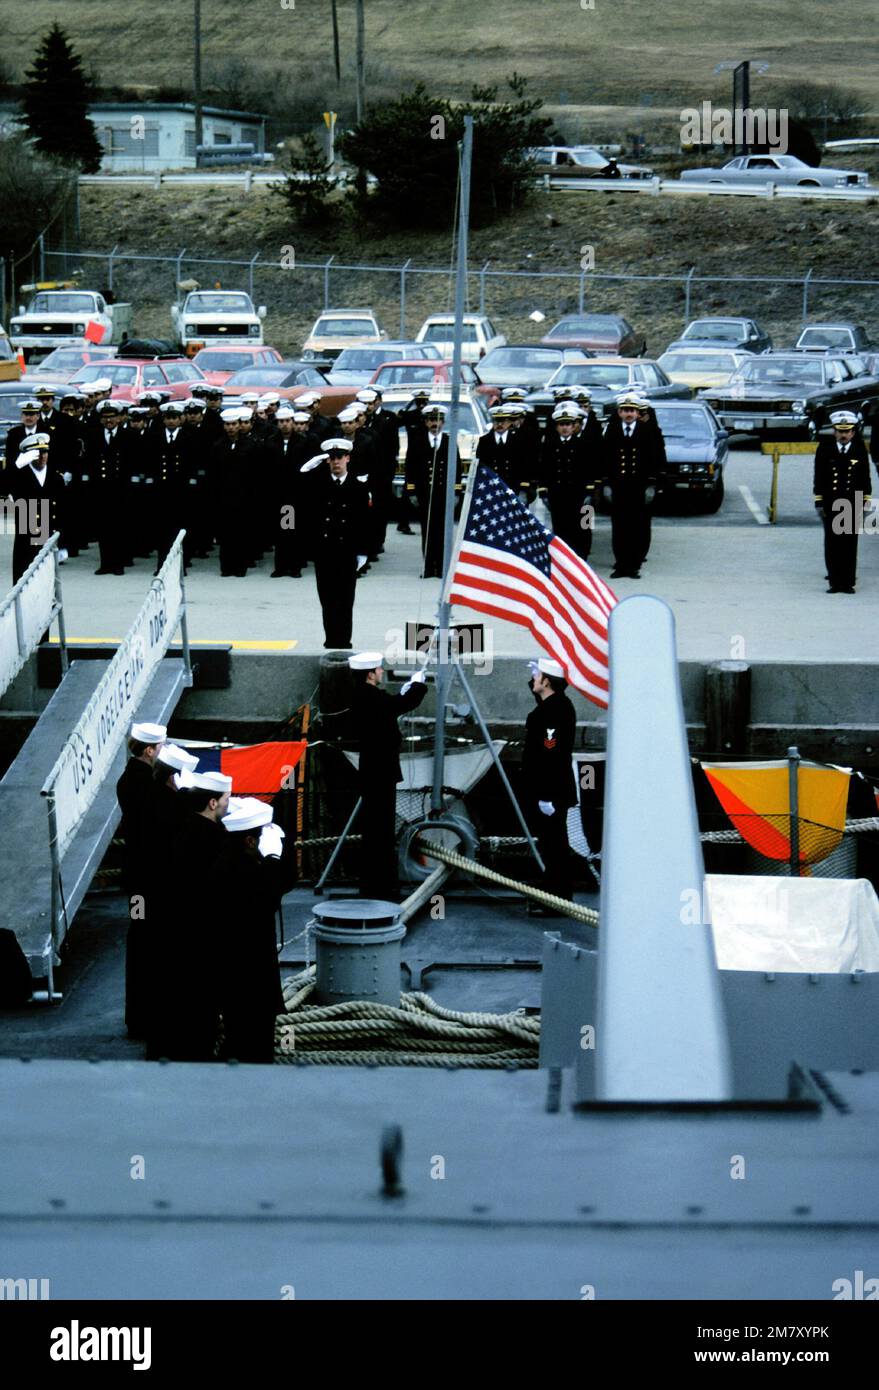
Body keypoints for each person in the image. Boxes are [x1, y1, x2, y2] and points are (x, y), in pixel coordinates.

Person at [146, 769, 232, 1062]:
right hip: (201, 935)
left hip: (172, 928)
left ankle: (166, 1049)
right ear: (211, 803)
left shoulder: (181, 827)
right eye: (226, 798)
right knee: (200, 1001)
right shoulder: (216, 842)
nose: (228, 803)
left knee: (174, 996)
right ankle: (196, 1055)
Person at [212, 797, 287, 1063]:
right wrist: (273, 858)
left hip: (241, 973)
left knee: (242, 1035)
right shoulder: (238, 871)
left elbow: (284, 883)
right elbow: (268, 899)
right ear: (250, 841)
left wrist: (274, 858)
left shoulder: (233, 859)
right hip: (248, 974)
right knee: (251, 1040)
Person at [349, 652, 428, 900]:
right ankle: (379, 887)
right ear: (370, 674)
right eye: (379, 669)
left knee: (377, 830)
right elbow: (399, 706)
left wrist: (406, 691)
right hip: (379, 772)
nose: (382, 672)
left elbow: (390, 706)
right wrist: (417, 686)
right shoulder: (369, 697)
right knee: (380, 832)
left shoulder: (364, 695)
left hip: (375, 771)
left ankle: (376, 884)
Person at [115, 721, 167, 1038]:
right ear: (150, 750)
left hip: (137, 883)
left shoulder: (130, 780)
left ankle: (138, 1015)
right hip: (147, 882)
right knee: (147, 942)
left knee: (140, 938)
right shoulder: (146, 785)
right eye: (160, 748)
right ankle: (145, 1015)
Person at [520, 658, 577, 913]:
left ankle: (559, 897)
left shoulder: (556, 710)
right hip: (545, 789)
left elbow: (551, 755)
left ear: (548, 681)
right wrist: (537, 676)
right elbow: (540, 706)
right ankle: (551, 886)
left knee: (555, 843)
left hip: (551, 791)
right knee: (548, 841)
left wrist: (547, 796)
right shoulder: (552, 704)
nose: (533, 679)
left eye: (537, 675)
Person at [300, 439, 369, 649]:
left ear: (347, 458)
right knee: (328, 601)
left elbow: (366, 521)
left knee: (345, 601)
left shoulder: (358, 487)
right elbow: (297, 494)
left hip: (347, 552)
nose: (336, 462)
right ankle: (331, 641)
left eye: (339, 457)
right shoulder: (319, 485)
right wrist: (306, 469)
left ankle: (344, 643)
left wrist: (363, 551)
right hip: (325, 552)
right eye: (331, 458)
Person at [601, 390, 663, 579]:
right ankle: (620, 564)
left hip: (639, 487)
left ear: (637, 413)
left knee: (637, 527)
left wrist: (652, 484)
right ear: (619, 412)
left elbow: (654, 458)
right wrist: (606, 484)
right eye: (625, 410)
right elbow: (605, 459)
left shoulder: (647, 430)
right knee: (619, 527)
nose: (628, 414)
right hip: (619, 487)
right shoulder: (612, 430)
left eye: (632, 410)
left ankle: (634, 565)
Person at [813, 410, 872, 594]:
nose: (844, 435)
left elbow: (865, 476)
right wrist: (819, 501)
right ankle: (834, 581)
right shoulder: (825, 448)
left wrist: (866, 500)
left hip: (852, 501)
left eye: (848, 431)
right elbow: (819, 476)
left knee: (849, 542)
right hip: (832, 501)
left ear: (853, 432)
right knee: (832, 543)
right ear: (834, 431)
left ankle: (848, 582)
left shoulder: (859, 448)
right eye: (840, 431)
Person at [407, 402, 460, 578]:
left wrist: (456, 491)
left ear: (443, 422)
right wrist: (412, 491)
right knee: (428, 531)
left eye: (438, 420)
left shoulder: (449, 442)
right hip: (425, 494)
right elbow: (411, 468)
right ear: (425, 422)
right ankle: (429, 567)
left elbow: (457, 469)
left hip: (443, 494)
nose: (434, 424)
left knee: (443, 531)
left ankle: (442, 567)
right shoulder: (417, 441)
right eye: (431, 420)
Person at [538, 402, 598, 560]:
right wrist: (543, 491)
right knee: (561, 528)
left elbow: (590, 469)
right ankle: (564, 561)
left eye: (568, 424)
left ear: (574, 426)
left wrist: (590, 492)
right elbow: (544, 469)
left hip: (580, 495)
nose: (565, 428)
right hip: (558, 495)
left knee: (584, 527)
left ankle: (582, 559)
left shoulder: (583, 445)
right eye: (561, 425)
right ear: (557, 427)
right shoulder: (550, 445)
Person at [5, 437, 65, 584]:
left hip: (50, 532)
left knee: (47, 580)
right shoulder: (19, 475)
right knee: (25, 579)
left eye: (45, 452)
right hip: (27, 532)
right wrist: (16, 465)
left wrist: (64, 543)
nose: (42, 456)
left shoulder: (55, 477)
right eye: (38, 453)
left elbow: (65, 510)